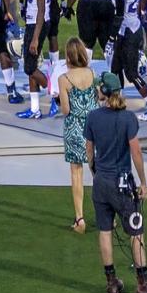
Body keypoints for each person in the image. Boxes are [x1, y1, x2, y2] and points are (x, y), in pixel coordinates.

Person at [83, 73, 147, 293]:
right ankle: (143, 284)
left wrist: (95, 173)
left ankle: (111, 283)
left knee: (105, 230)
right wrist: (143, 182)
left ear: (103, 91)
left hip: (101, 182)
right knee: (136, 232)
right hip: (122, 183)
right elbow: (136, 152)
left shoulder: (93, 117)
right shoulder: (128, 118)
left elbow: (89, 150)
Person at [56, 38, 100, 231]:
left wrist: (59, 100)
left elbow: (66, 110)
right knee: (97, 171)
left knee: (76, 173)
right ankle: (107, 215)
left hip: (74, 128)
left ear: (68, 56)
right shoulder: (92, 73)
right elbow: (98, 97)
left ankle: (80, 219)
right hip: (94, 128)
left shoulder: (64, 79)